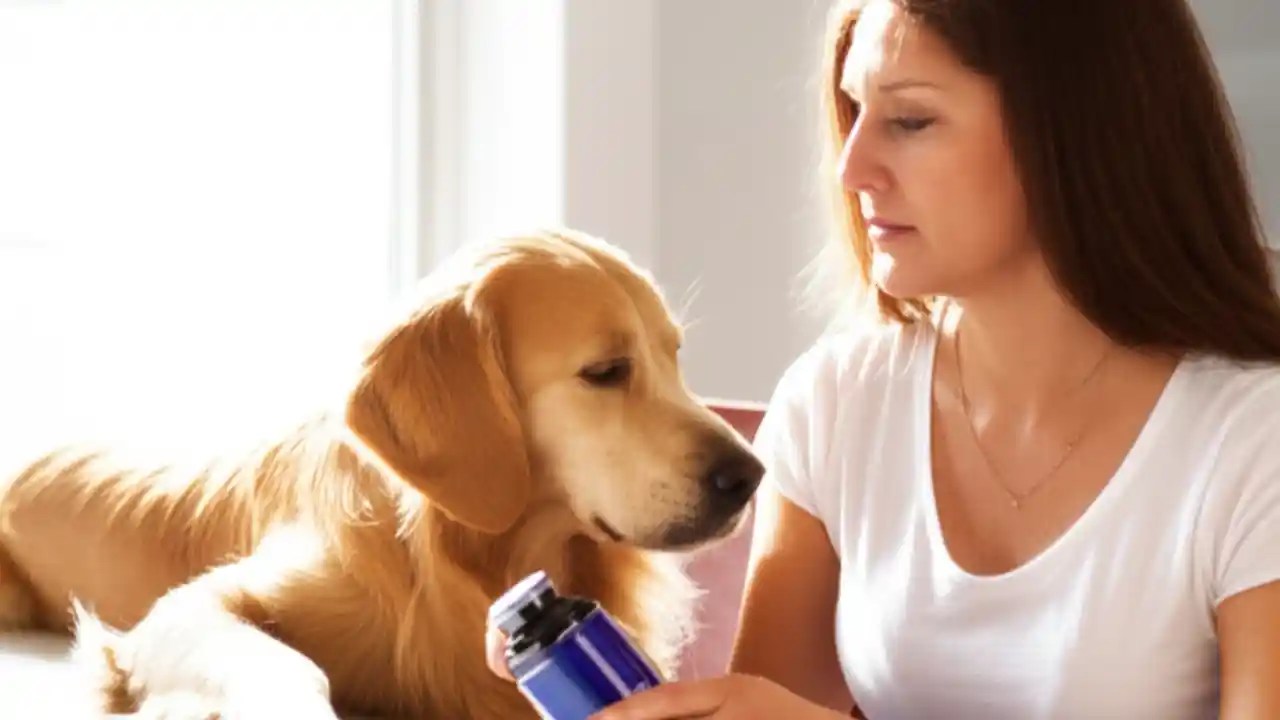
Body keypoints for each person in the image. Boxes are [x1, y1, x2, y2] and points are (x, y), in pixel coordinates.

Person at [489, 0, 1280, 717]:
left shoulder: (1252, 442)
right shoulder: (837, 407)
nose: (851, 169)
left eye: (910, 122)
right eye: (854, 110)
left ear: (1076, 129)